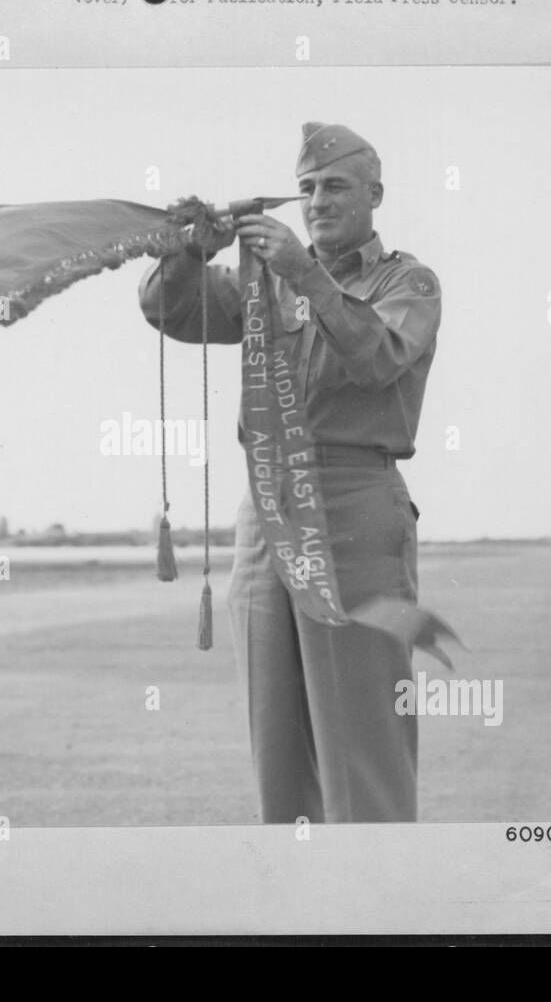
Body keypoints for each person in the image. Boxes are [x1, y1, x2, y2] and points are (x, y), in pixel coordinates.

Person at [138, 122, 442, 823]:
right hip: (266, 511)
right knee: (275, 737)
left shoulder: (408, 281)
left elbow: (378, 359)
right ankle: (298, 903)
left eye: (334, 186)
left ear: (375, 194)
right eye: (306, 189)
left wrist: (304, 274)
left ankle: (377, 906)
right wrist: (189, 250)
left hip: (353, 507)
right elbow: (171, 311)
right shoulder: (264, 284)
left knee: (359, 735)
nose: (317, 201)